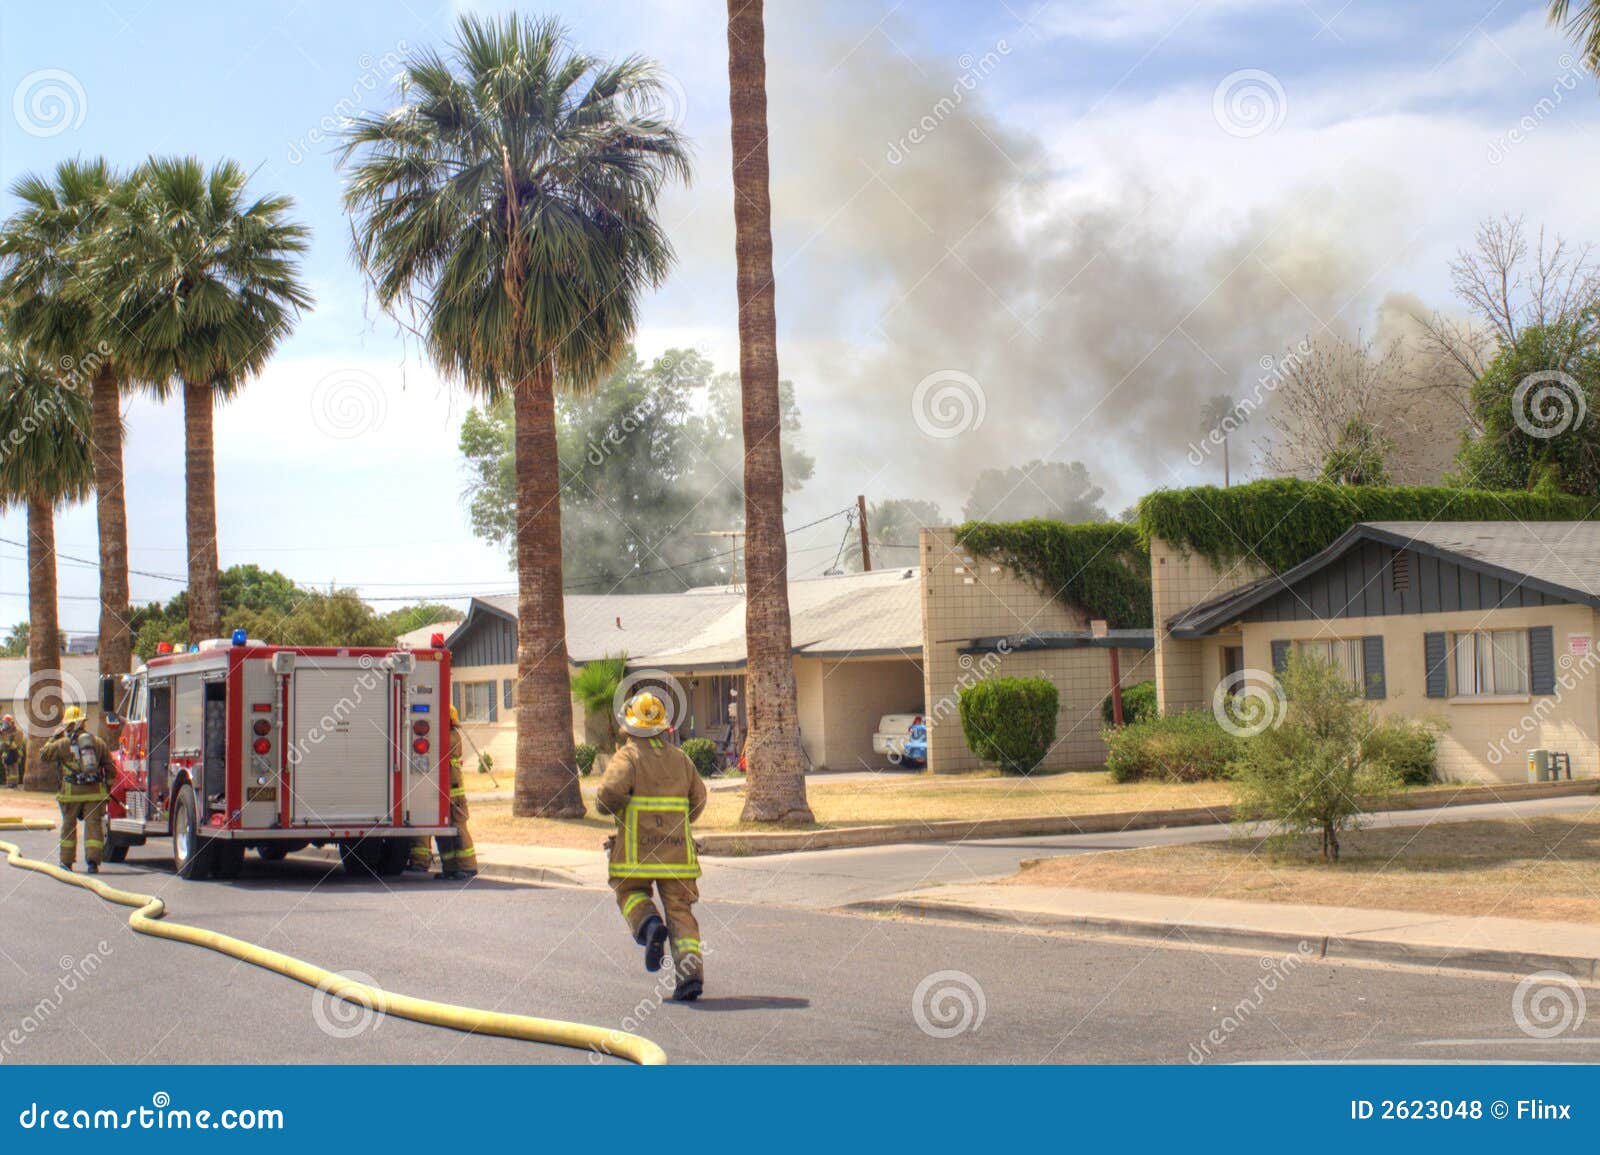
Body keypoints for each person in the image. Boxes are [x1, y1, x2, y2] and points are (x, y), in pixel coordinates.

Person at [596, 691, 707, 1002]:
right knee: (681, 911)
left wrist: (615, 807)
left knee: (629, 892)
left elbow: (607, 796)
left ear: (630, 726)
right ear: (662, 726)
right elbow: (698, 800)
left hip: (636, 854)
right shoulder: (681, 759)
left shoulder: (628, 757)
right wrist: (677, 823)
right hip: (678, 855)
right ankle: (690, 977)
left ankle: (648, 924)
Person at [40, 706, 112, 873]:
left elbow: (44, 755)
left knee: (68, 826)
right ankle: (93, 863)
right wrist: (107, 788)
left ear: (68, 725)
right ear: (83, 723)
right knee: (94, 827)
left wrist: (54, 737)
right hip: (95, 794)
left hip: (70, 795)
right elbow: (110, 768)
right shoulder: (98, 742)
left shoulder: (62, 744)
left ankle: (66, 863)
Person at [433, 705, 478, 881]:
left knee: (458, 827)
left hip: (453, 792)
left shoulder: (450, 736)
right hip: (445, 789)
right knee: (443, 830)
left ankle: (468, 867)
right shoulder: (446, 733)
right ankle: (450, 868)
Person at [0, 715, 23, 788]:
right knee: (7, 770)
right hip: (6, 754)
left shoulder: (18, 732)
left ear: (11, 723)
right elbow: (2, 742)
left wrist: (8, 743)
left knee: (14, 769)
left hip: (15, 753)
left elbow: (18, 744)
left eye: (7, 722)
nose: (5, 724)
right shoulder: (3, 732)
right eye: (4, 722)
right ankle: (9, 784)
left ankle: (14, 784)